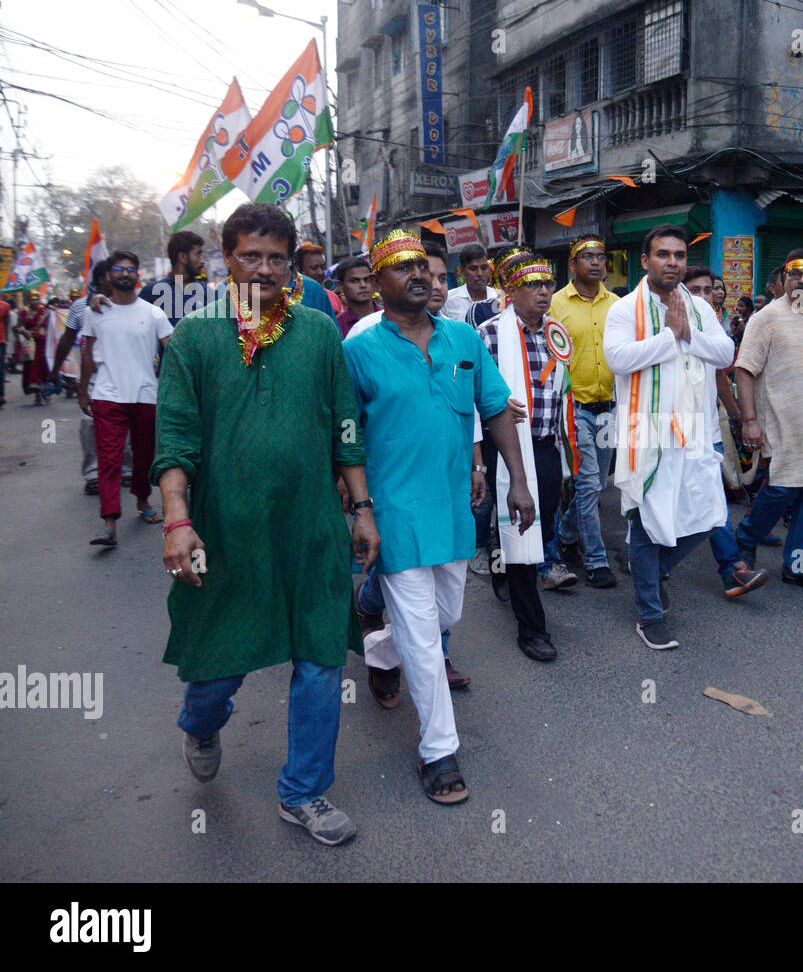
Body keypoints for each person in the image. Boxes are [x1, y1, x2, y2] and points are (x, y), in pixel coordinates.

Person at [153, 202, 378, 846]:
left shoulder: (316, 331)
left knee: (319, 656)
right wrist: (177, 521)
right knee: (220, 663)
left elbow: (344, 426)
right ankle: (202, 720)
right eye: (251, 255)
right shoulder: (194, 337)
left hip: (311, 527)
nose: (265, 268)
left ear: (290, 263)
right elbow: (175, 441)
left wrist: (360, 509)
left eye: (277, 258)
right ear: (228, 257)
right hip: (226, 531)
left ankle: (303, 791)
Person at [344, 229, 531, 801]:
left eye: (424, 268)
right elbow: (345, 438)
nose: (419, 276)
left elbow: (496, 409)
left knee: (446, 613)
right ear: (378, 285)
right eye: (401, 269)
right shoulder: (357, 351)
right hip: (395, 511)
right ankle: (439, 751)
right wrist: (361, 510)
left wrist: (517, 483)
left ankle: (377, 651)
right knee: (425, 638)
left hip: (454, 507)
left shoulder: (463, 339)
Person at [604, 225, 736, 649]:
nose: (673, 261)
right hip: (647, 432)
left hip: (694, 430)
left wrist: (688, 334)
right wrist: (669, 337)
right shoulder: (626, 309)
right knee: (646, 524)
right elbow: (619, 360)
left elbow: (725, 353)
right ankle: (649, 614)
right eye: (663, 254)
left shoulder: (700, 308)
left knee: (707, 515)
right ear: (646, 261)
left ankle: (654, 568)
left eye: (679, 254)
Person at [734, 250, 803, 594]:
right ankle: (747, 536)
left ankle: (798, 567)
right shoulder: (766, 317)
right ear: (783, 279)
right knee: (782, 490)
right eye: (794, 273)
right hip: (785, 425)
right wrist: (749, 420)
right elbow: (744, 369)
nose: (801, 280)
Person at [477, 254, 573, 660]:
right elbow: (473, 397)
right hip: (506, 450)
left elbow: (563, 391)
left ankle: (504, 563)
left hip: (545, 447)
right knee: (520, 530)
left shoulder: (557, 333)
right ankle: (531, 627)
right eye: (533, 285)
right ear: (512, 291)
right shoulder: (489, 334)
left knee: (543, 522)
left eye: (548, 284)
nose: (544, 292)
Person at [683, 266, 768, 598]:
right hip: (662, 429)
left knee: (712, 497)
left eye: (709, 289)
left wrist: (739, 417)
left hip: (705, 428)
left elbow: (719, 373)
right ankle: (647, 561)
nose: (705, 296)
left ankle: (732, 568)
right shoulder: (660, 322)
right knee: (653, 503)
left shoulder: (714, 326)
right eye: (697, 290)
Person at [79, 251, 171, 547]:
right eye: (119, 269)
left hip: (145, 395)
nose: (125, 273)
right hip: (107, 395)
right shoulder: (95, 312)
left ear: (137, 275)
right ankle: (109, 523)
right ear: (108, 275)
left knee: (145, 457)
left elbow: (173, 351)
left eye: (130, 269)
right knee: (109, 460)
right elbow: (87, 355)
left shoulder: (154, 313)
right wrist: (83, 390)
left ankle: (143, 501)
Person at [545, 235, 619, 589]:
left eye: (601, 257)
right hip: (573, 408)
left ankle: (564, 533)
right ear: (572, 265)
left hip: (609, 408)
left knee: (596, 485)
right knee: (588, 482)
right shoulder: (556, 304)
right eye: (587, 257)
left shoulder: (619, 304)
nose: (595, 263)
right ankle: (596, 560)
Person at [51, 260, 129, 495]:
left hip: (124, 371)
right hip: (94, 372)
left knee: (127, 419)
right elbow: (67, 339)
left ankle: (127, 469)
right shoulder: (80, 307)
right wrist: (56, 370)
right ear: (100, 280)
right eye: (111, 274)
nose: (117, 278)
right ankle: (93, 472)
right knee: (89, 422)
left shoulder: (129, 305)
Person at [139, 231, 213, 325]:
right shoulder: (151, 293)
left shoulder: (207, 293)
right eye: (197, 254)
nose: (202, 261)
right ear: (182, 257)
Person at [443, 243, 501, 325]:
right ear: (462, 271)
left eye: (484, 268)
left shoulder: (500, 297)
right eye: (473, 269)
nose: (480, 274)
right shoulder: (448, 300)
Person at [295, 241, 345, 322]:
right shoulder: (289, 299)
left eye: (322, 267)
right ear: (298, 269)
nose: (320, 272)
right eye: (314, 268)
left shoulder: (333, 297)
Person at [334, 256, 379, 337]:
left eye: (366, 280)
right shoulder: (337, 325)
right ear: (340, 286)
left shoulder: (388, 315)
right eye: (354, 281)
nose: (363, 285)